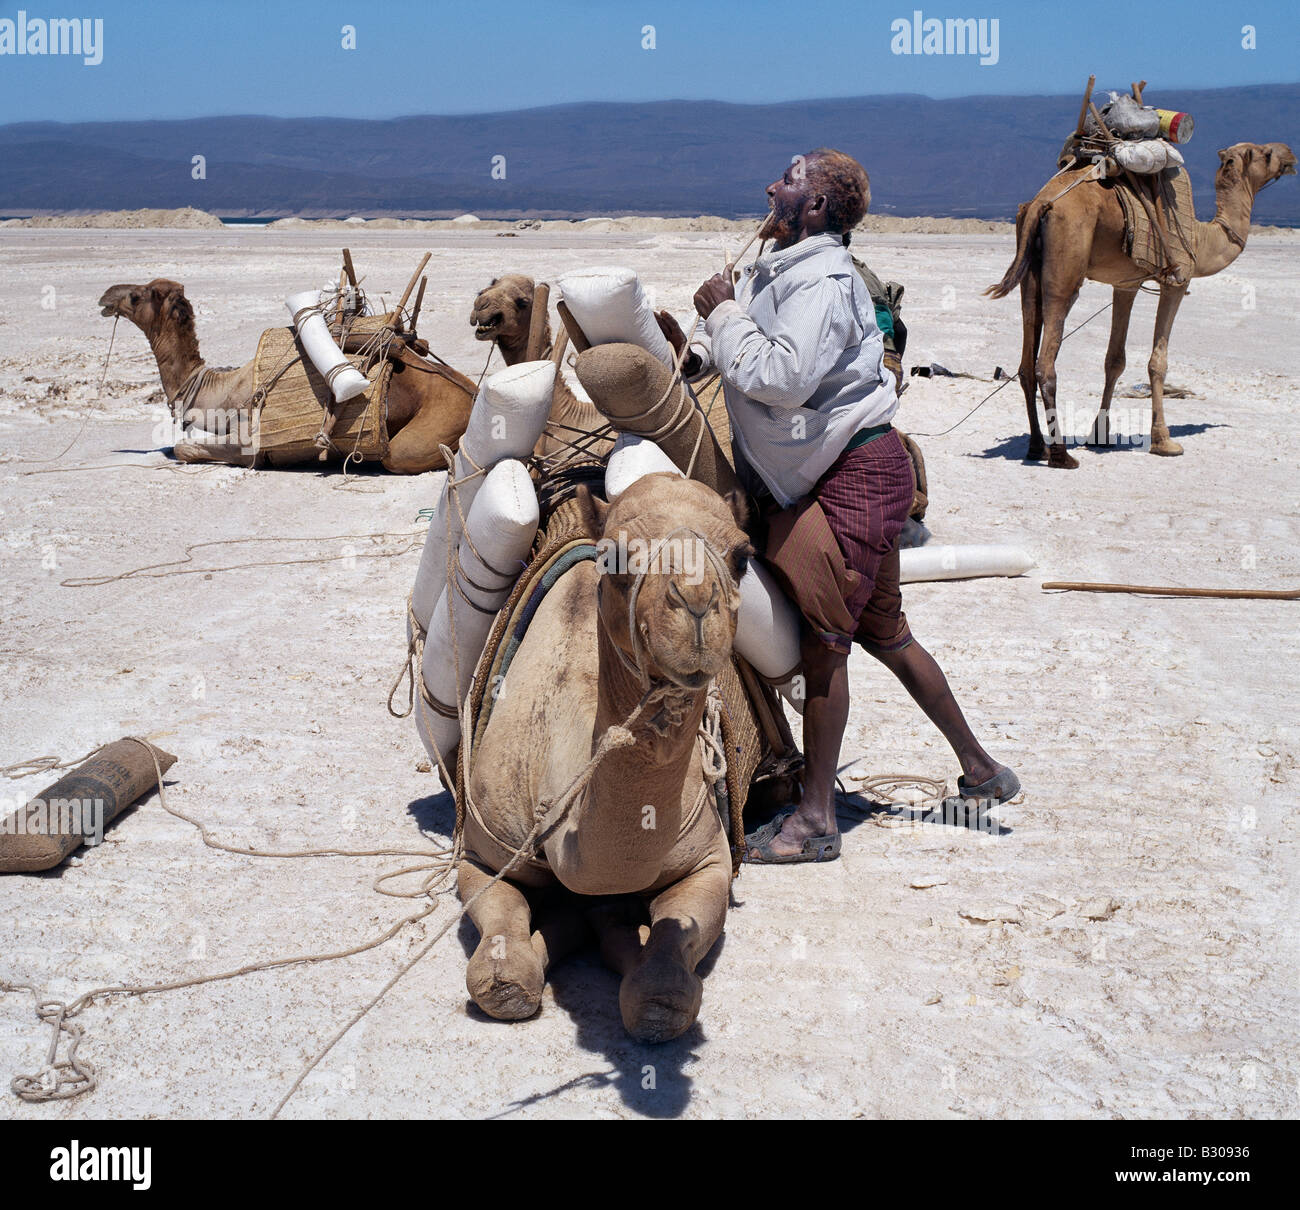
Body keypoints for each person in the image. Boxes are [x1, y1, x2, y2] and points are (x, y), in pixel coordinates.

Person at [655, 147, 1019, 864]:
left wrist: (723, 313)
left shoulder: (821, 278)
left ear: (816, 208)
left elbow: (783, 377)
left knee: (827, 649)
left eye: (787, 181)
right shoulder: (785, 267)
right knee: (887, 633)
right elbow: (747, 346)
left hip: (848, 475)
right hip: (844, 471)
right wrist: (698, 350)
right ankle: (982, 771)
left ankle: (816, 819)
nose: (769, 186)